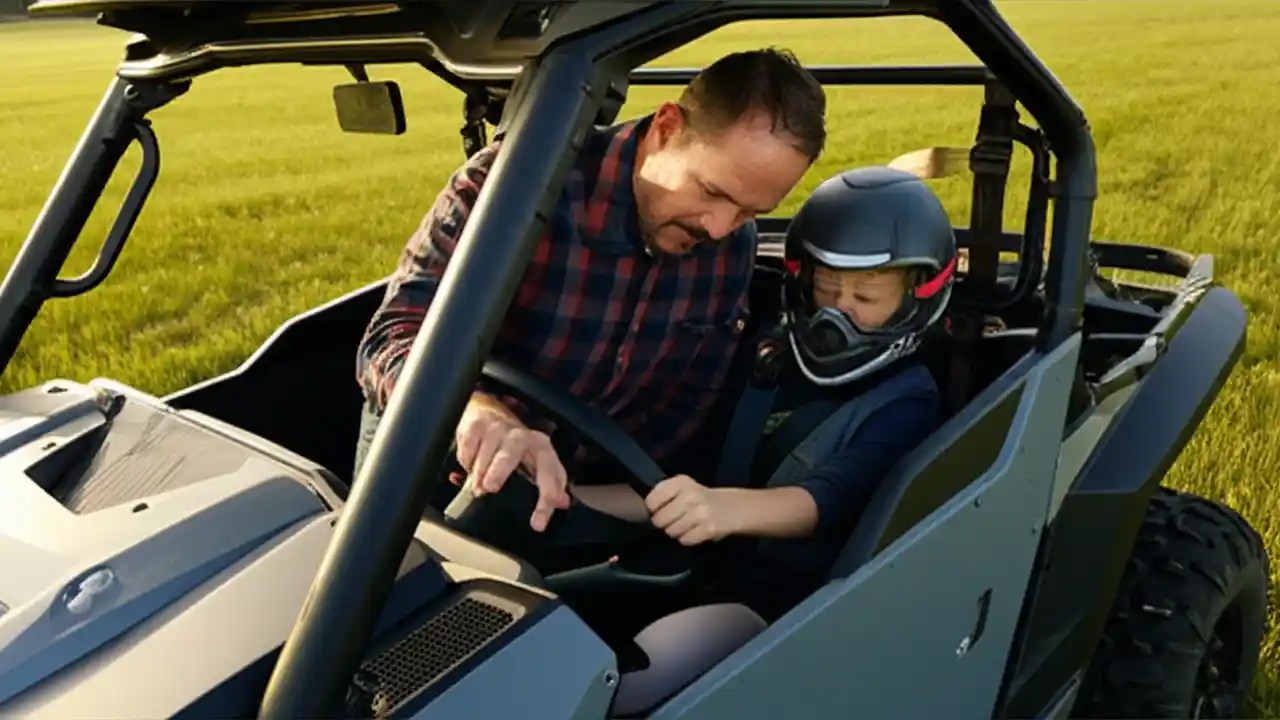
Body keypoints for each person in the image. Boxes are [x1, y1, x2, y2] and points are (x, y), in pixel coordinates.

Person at [354, 49, 827, 532]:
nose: (722, 227)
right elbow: (390, 337)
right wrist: (476, 411)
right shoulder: (511, 187)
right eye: (712, 191)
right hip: (434, 469)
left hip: (582, 499)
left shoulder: (730, 247)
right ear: (666, 129)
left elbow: (687, 407)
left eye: (750, 211)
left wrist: (593, 501)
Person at [572, 165, 958, 621]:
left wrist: (724, 508)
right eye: (826, 290)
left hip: (789, 610)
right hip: (697, 568)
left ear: (919, 298)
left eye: (866, 299)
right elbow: (681, 475)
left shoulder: (906, 398)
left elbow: (827, 499)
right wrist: (570, 497)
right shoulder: (766, 356)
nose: (838, 314)